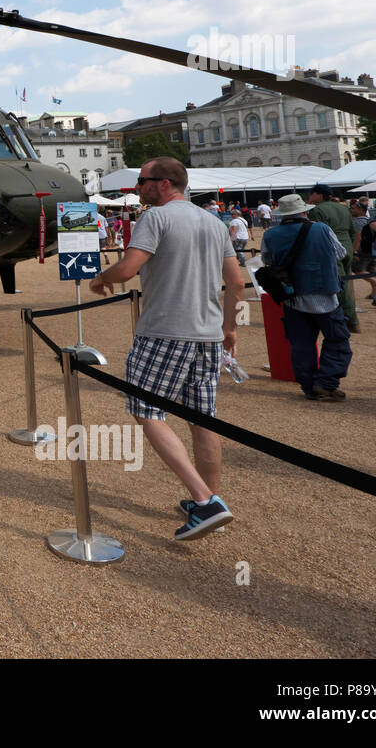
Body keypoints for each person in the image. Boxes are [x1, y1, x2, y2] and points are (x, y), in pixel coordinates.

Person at [89, 157, 242, 541]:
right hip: (207, 334)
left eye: (142, 181)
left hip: (164, 331)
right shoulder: (214, 222)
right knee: (202, 418)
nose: (137, 187)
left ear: (163, 183)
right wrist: (229, 329)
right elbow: (236, 283)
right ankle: (208, 500)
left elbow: (127, 269)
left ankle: (205, 501)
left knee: (146, 409)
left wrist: (100, 278)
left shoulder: (155, 218)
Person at [261, 194, 352, 401]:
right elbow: (340, 253)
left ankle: (310, 386)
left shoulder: (270, 234)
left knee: (301, 344)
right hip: (325, 293)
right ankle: (327, 382)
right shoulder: (321, 229)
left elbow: (268, 260)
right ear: (304, 211)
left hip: (292, 295)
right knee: (338, 340)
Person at [307, 184, 358, 333]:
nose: (310, 197)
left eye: (312, 194)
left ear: (319, 195)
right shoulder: (343, 208)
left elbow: (319, 233)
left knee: (340, 286)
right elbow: (353, 231)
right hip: (347, 245)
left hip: (331, 249)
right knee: (344, 282)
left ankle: (352, 319)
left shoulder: (317, 210)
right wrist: (352, 249)